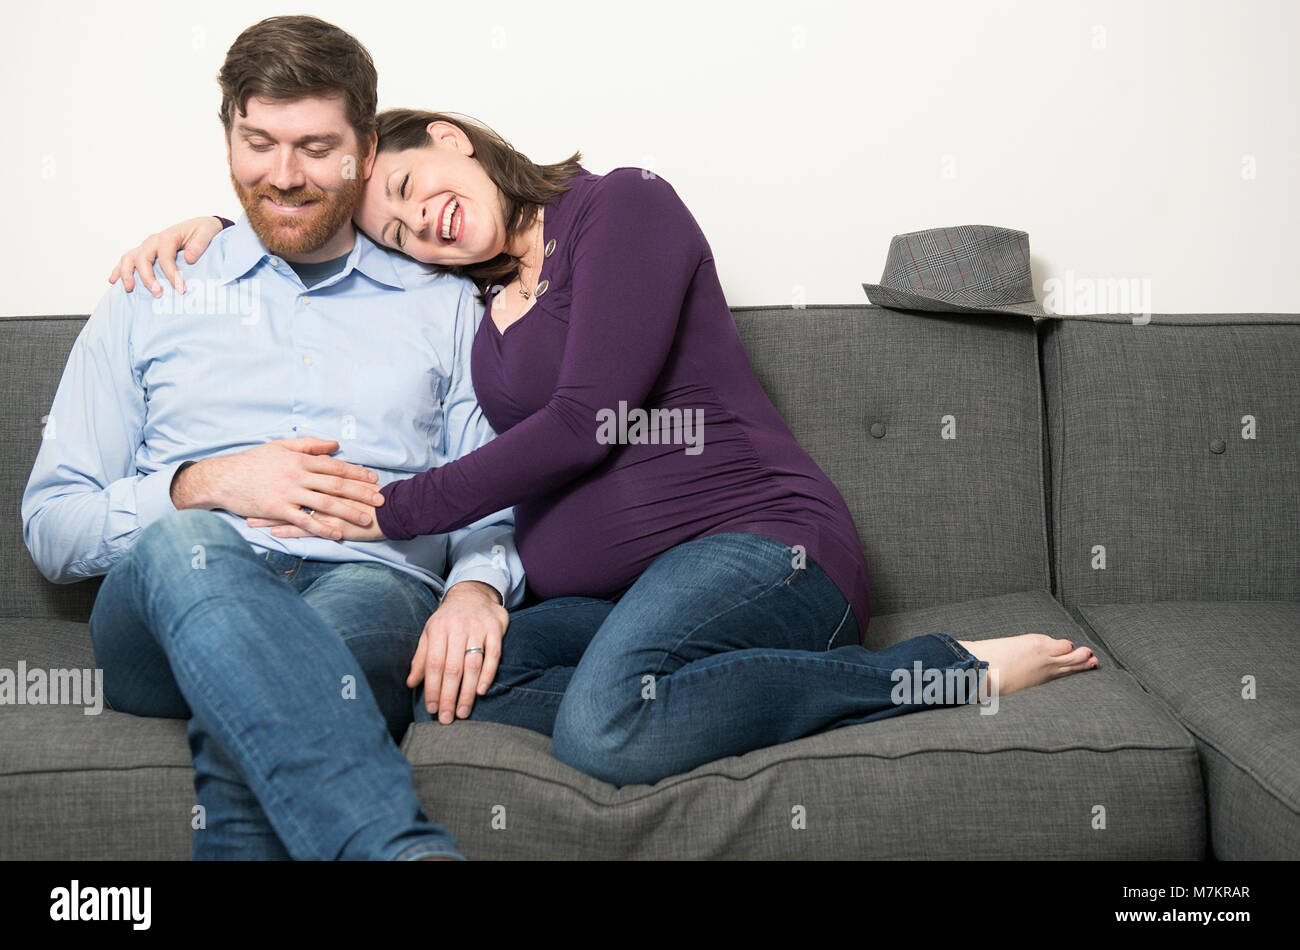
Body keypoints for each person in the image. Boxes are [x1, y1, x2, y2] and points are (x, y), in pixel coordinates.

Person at [113, 114, 1100, 790]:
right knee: (447, 686)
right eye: (402, 229)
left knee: (603, 727)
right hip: (611, 604)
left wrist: (398, 507)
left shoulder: (621, 204)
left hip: (761, 544)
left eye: (413, 183)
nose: (423, 219)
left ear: (452, 137)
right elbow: (328, 269)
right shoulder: (470, 301)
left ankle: (934, 672)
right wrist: (225, 233)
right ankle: (745, 674)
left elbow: (590, 416)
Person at [24, 16, 527, 859]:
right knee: (189, 542)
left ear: (366, 151)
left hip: (370, 586)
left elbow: (489, 490)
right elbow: (53, 525)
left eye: (315, 146)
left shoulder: (442, 305)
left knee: (269, 690)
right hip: (169, 598)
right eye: (259, 141)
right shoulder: (151, 291)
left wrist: (477, 586)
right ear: (228, 137)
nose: (284, 176)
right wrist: (203, 485)